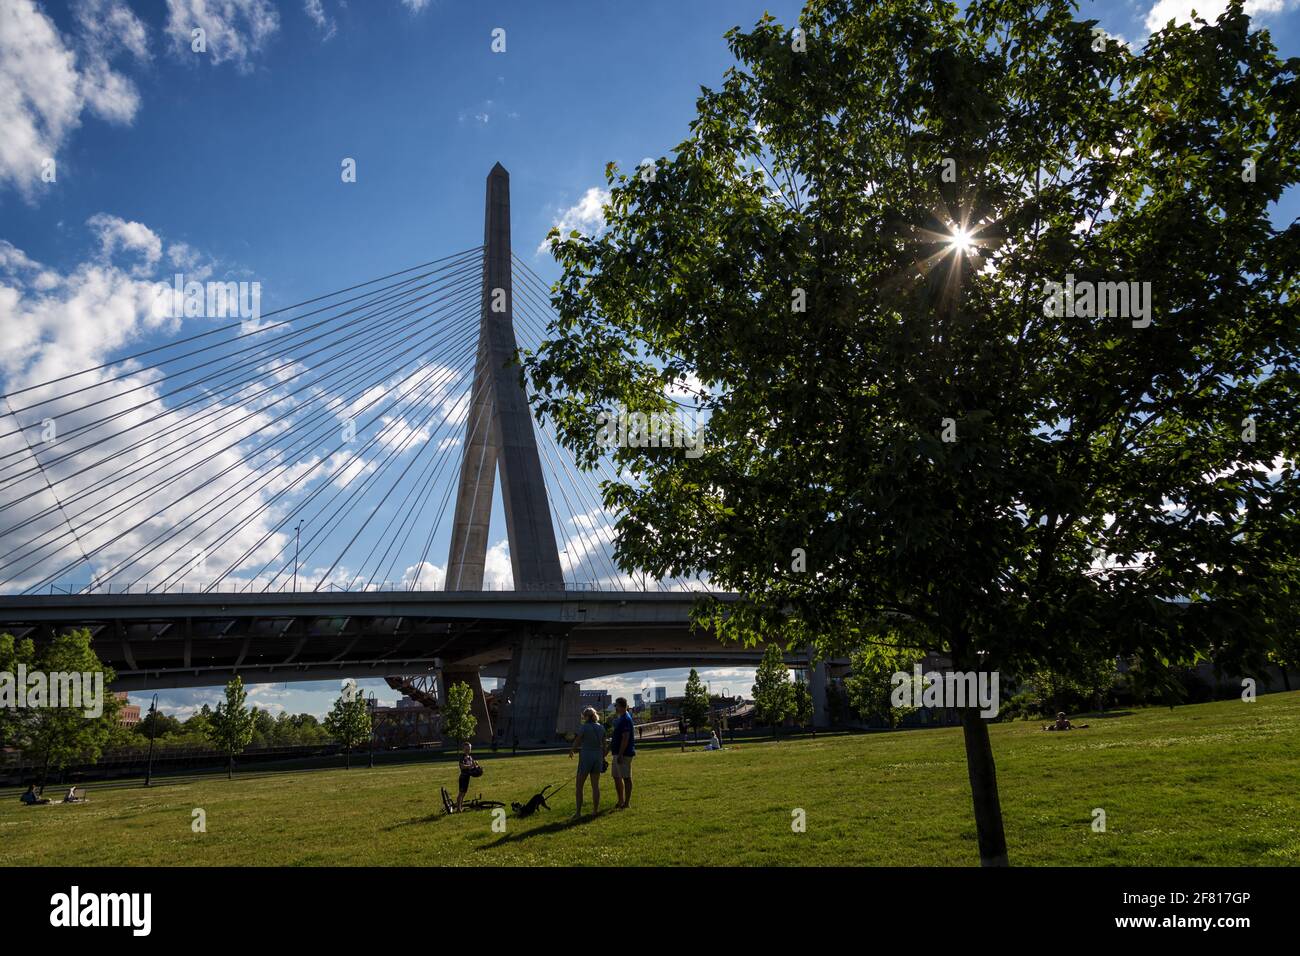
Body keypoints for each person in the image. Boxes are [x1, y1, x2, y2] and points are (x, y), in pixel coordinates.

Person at [568, 706, 606, 817]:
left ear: (586, 717)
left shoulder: (584, 727)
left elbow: (577, 740)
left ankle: (578, 812)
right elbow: (604, 744)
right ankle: (595, 811)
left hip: (586, 756)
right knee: (595, 786)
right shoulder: (601, 727)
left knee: (579, 786)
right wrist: (602, 756)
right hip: (597, 756)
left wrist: (572, 751)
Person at [610, 696, 637, 809]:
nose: (615, 707)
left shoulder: (626, 719)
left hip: (624, 754)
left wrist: (620, 754)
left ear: (622, 706)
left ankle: (626, 803)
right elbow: (616, 737)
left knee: (626, 778)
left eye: (616, 705)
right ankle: (620, 800)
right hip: (617, 753)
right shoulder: (621, 718)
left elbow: (625, 738)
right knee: (616, 776)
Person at [454, 742, 480, 812]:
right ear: (463, 749)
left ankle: (460, 807)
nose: (467, 750)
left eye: (469, 749)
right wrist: (470, 766)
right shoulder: (462, 757)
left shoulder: (470, 757)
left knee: (464, 793)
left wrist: (476, 765)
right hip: (463, 777)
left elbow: (473, 765)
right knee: (461, 793)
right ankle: (458, 809)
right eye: (466, 749)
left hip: (467, 777)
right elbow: (462, 766)